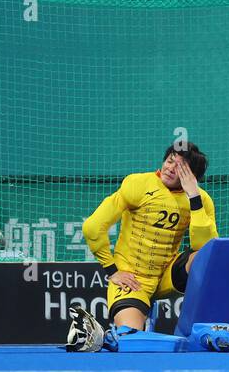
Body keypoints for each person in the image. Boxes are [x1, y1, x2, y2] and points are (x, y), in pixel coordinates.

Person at [69, 143, 216, 346]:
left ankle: (200, 330)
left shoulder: (201, 200)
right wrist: (112, 271)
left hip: (167, 276)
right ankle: (105, 335)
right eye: (169, 160)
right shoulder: (138, 185)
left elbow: (206, 245)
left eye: (181, 167)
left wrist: (194, 198)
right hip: (131, 280)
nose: (170, 167)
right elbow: (92, 227)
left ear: (192, 176)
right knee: (130, 341)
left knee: (204, 256)